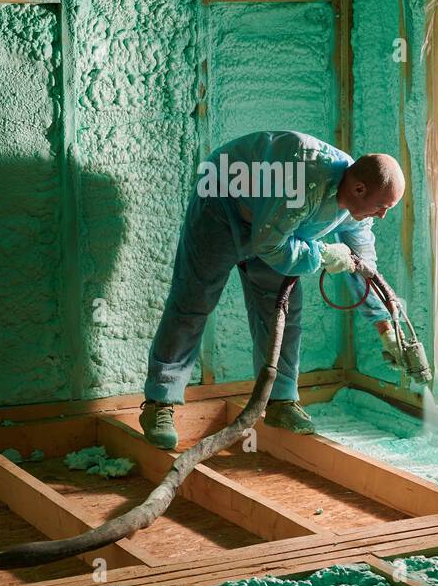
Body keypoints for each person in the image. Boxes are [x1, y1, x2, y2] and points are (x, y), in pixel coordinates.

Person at [140, 130, 406, 449]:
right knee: (193, 302)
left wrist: (385, 328)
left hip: (273, 225)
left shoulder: (356, 207)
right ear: (359, 189)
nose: (382, 214)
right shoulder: (304, 177)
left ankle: (280, 402)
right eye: (381, 206)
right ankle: (160, 402)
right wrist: (321, 254)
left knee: (283, 311)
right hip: (222, 205)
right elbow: (268, 244)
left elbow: (363, 266)